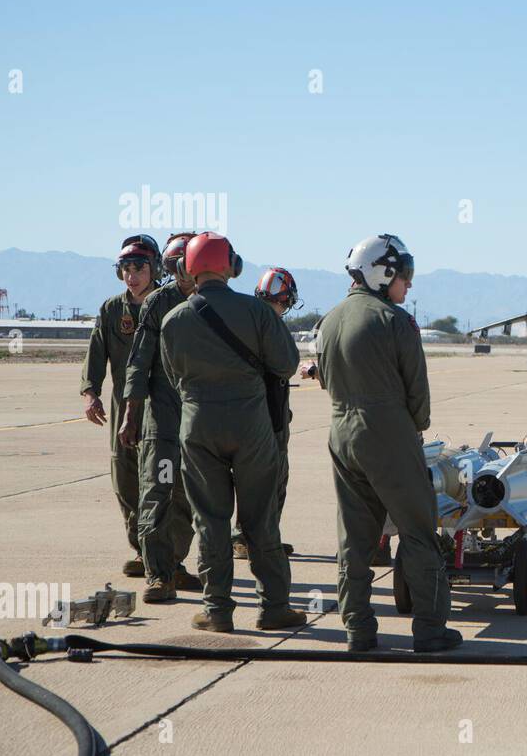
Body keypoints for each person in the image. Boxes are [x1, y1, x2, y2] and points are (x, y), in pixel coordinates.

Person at [313, 234, 459, 652]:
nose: (409, 284)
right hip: (387, 432)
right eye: (405, 275)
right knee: (417, 532)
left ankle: (358, 629)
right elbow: (418, 397)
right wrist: (410, 430)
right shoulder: (395, 321)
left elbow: (325, 380)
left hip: (341, 432)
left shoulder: (328, 321)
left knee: (354, 538)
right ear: (383, 272)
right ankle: (430, 630)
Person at [159, 233, 304, 633]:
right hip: (252, 427)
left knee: (210, 519)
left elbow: (174, 378)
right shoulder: (256, 312)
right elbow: (287, 364)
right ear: (231, 267)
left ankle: (217, 610)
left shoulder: (173, 320)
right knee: (260, 518)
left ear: (187, 270)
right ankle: (274, 607)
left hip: (198, 427)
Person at [120, 233, 202, 602]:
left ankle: (174, 564)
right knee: (158, 494)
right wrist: (130, 415)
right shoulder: (158, 302)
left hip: (199, 426)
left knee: (187, 499)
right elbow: (138, 363)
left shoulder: (210, 302)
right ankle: (157, 574)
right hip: (164, 425)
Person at [80, 235, 161, 577]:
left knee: (160, 480)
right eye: (126, 268)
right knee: (125, 480)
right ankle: (142, 550)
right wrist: (90, 392)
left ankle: (163, 554)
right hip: (121, 408)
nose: (132, 275)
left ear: (155, 268)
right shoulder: (112, 310)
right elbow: (96, 353)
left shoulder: (168, 303)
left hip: (161, 408)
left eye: (139, 267)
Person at [232, 267, 300, 559]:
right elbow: (286, 366)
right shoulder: (270, 326)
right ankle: (250, 539)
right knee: (269, 480)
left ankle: (262, 536)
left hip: (252, 415)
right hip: (267, 419)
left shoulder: (243, 323)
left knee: (260, 480)